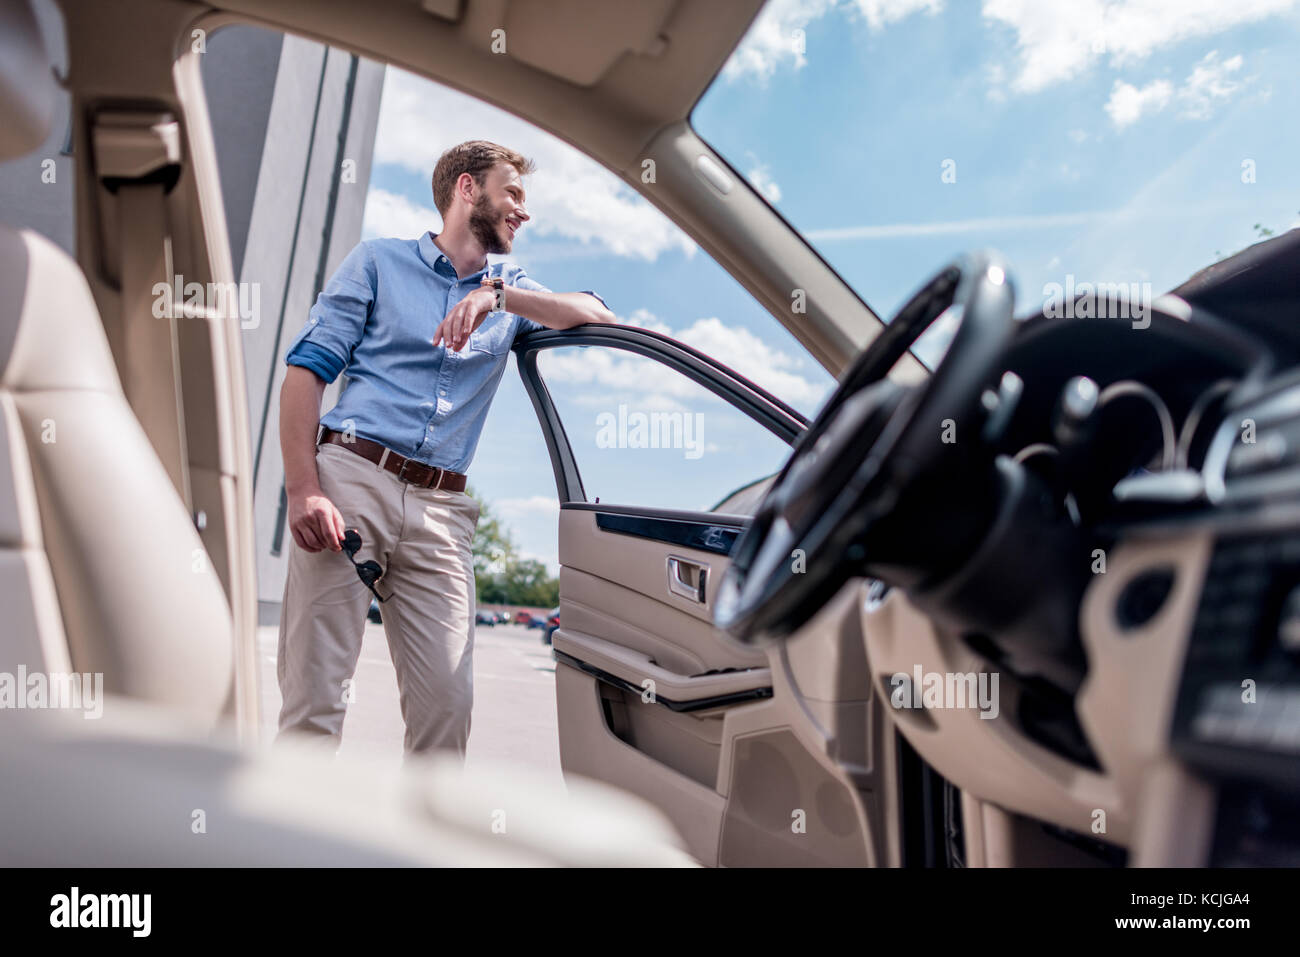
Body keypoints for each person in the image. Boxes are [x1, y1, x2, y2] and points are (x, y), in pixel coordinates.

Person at [275, 140, 614, 757]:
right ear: (467, 189)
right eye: (512, 192)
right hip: (352, 480)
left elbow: (596, 315)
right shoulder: (377, 262)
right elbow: (306, 373)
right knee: (315, 703)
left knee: (447, 711)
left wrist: (499, 298)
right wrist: (303, 489)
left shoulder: (512, 289)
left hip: (442, 510)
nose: (523, 211)